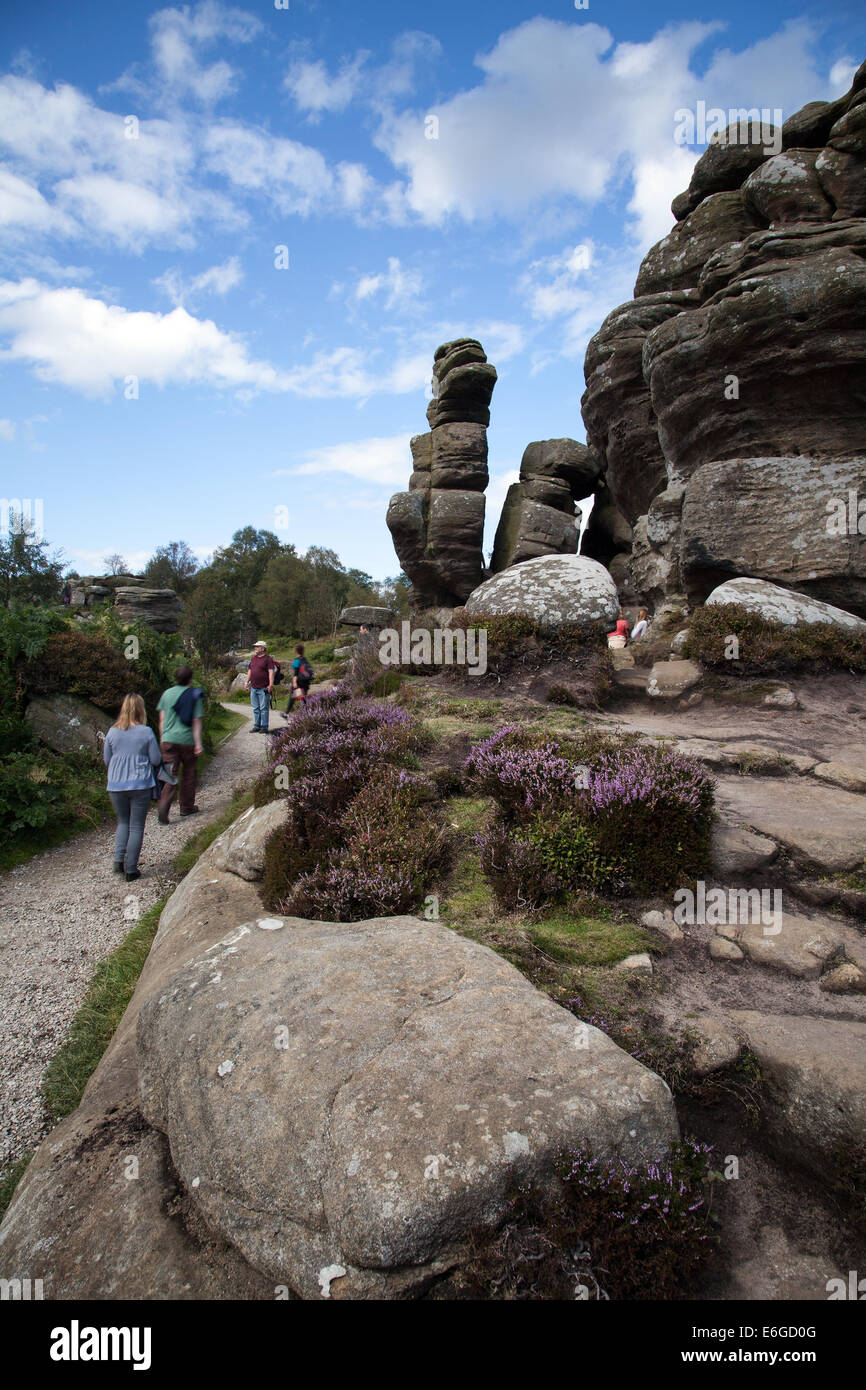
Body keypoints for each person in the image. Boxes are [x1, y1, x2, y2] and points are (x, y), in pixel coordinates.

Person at [103, 693, 162, 881]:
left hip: (115, 784)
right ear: (141, 709)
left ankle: (118, 860)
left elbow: (107, 760)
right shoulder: (145, 732)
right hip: (140, 783)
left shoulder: (112, 732)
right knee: (136, 825)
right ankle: (131, 869)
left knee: (123, 822)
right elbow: (155, 759)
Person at [157, 664, 204, 822]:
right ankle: (186, 807)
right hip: (187, 740)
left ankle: (164, 806)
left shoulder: (166, 694)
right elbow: (196, 721)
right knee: (189, 774)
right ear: (190, 678)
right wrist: (198, 743)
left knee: (170, 774)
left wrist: (162, 739)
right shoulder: (194, 695)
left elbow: (162, 720)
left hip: (169, 740)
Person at [244, 639, 277, 733]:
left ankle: (264, 727)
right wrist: (246, 682)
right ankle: (257, 726)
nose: (255, 648)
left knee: (263, 708)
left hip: (264, 688)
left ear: (262, 648)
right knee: (255, 708)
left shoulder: (268, 659)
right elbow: (250, 671)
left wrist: (271, 685)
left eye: (257, 647)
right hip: (254, 687)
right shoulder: (253, 659)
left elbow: (271, 672)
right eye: (255, 647)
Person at [286, 644, 313, 715]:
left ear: (296, 651)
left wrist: (294, 682)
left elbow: (296, 672)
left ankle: (286, 713)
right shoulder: (305, 660)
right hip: (306, 682)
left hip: (299, 682)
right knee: (303, 697)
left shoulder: (297, 660)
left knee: (293, 697)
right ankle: (308, 713)